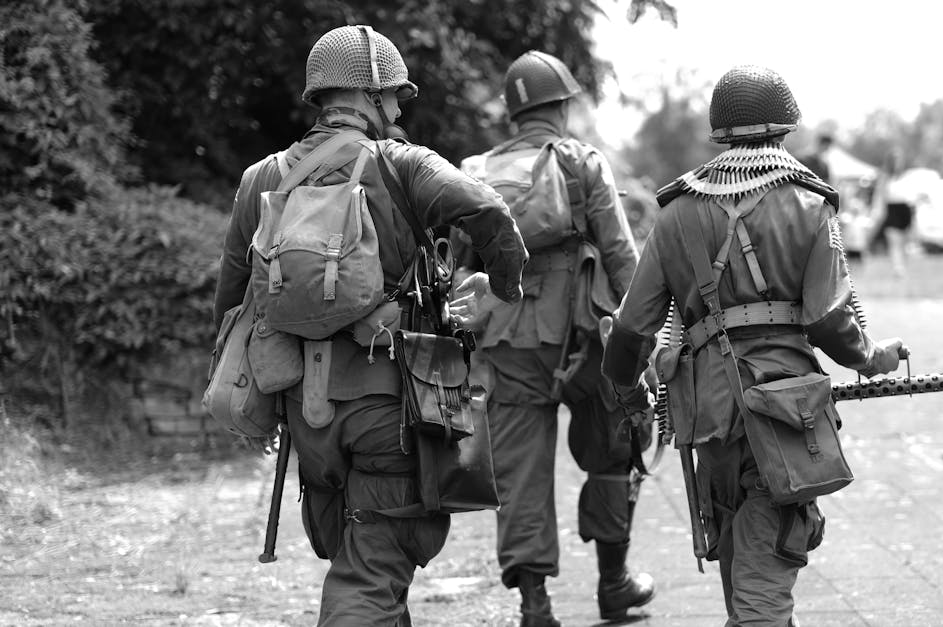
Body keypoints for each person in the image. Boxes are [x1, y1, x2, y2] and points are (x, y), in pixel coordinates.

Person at [211, 25, 527, 626]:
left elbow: (232, 305)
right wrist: (506, 289)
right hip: (391, 407)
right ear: (375, 96)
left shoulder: (261, 179)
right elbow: (489, 211)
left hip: (306, 414)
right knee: (370, 571)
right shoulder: (403, 163)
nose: (398, 111)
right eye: (396, 99)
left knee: (365, 563)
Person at [600, 65, 906, 626]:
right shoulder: (810, 205)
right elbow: (830, 321)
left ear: (719, 133)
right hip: (787, 414)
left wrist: (625, 395)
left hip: (708, 415)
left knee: (742, 559)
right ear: (785, 127)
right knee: (765, 576)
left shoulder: (674, 214)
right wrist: (873, 358)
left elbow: (628, 331)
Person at [452, 50, 654, 626]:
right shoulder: (581, 162)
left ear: (512, 114)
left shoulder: (475, 171)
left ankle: (535, 606)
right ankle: (614, 584)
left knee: (518, 470)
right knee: (615, 451)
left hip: (506, 337)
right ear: (562, 106)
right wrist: (645, 342)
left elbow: (458, 264)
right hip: (585, 336)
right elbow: (620, 254)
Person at [873, 148, 913, 277]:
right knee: (894, 241)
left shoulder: (907, 176)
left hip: (904, 209)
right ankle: (898, 269)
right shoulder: (885, 177)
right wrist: (878, 212)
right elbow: (880, 196)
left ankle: (903, 267)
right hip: (891, 209)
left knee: (904, 242)